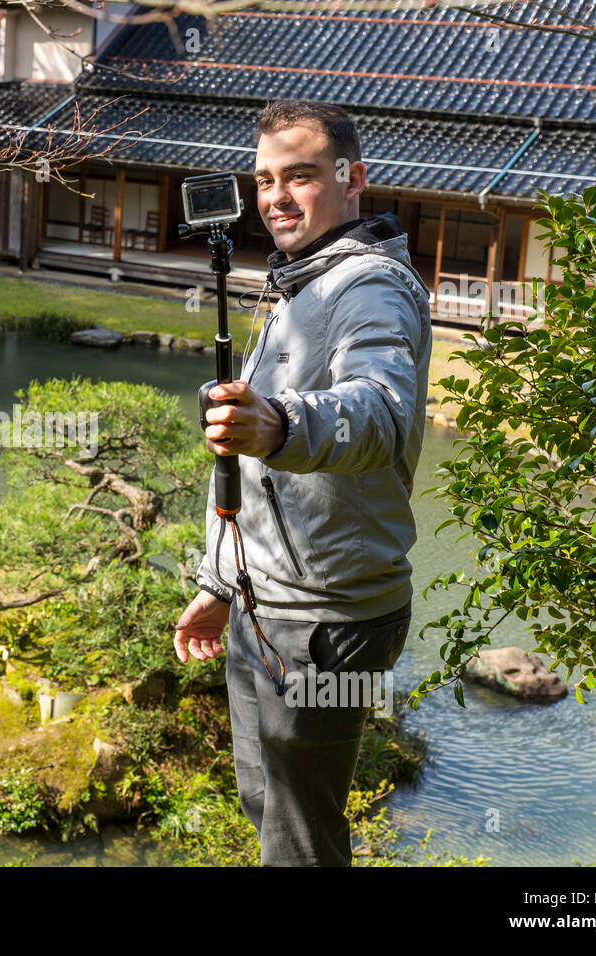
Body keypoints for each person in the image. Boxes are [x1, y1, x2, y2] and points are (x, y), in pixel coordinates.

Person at [172, 100, 433, 866]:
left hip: (329, 623)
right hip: (266, 602)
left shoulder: (369, 289)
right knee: (270, 809)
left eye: (300, 176)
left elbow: (378, 411)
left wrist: (282, 424)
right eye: (263, 179)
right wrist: (221, 583)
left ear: (353, 180)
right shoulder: (301, 285)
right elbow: (258, 478)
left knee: (299, 842)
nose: (275, 197)